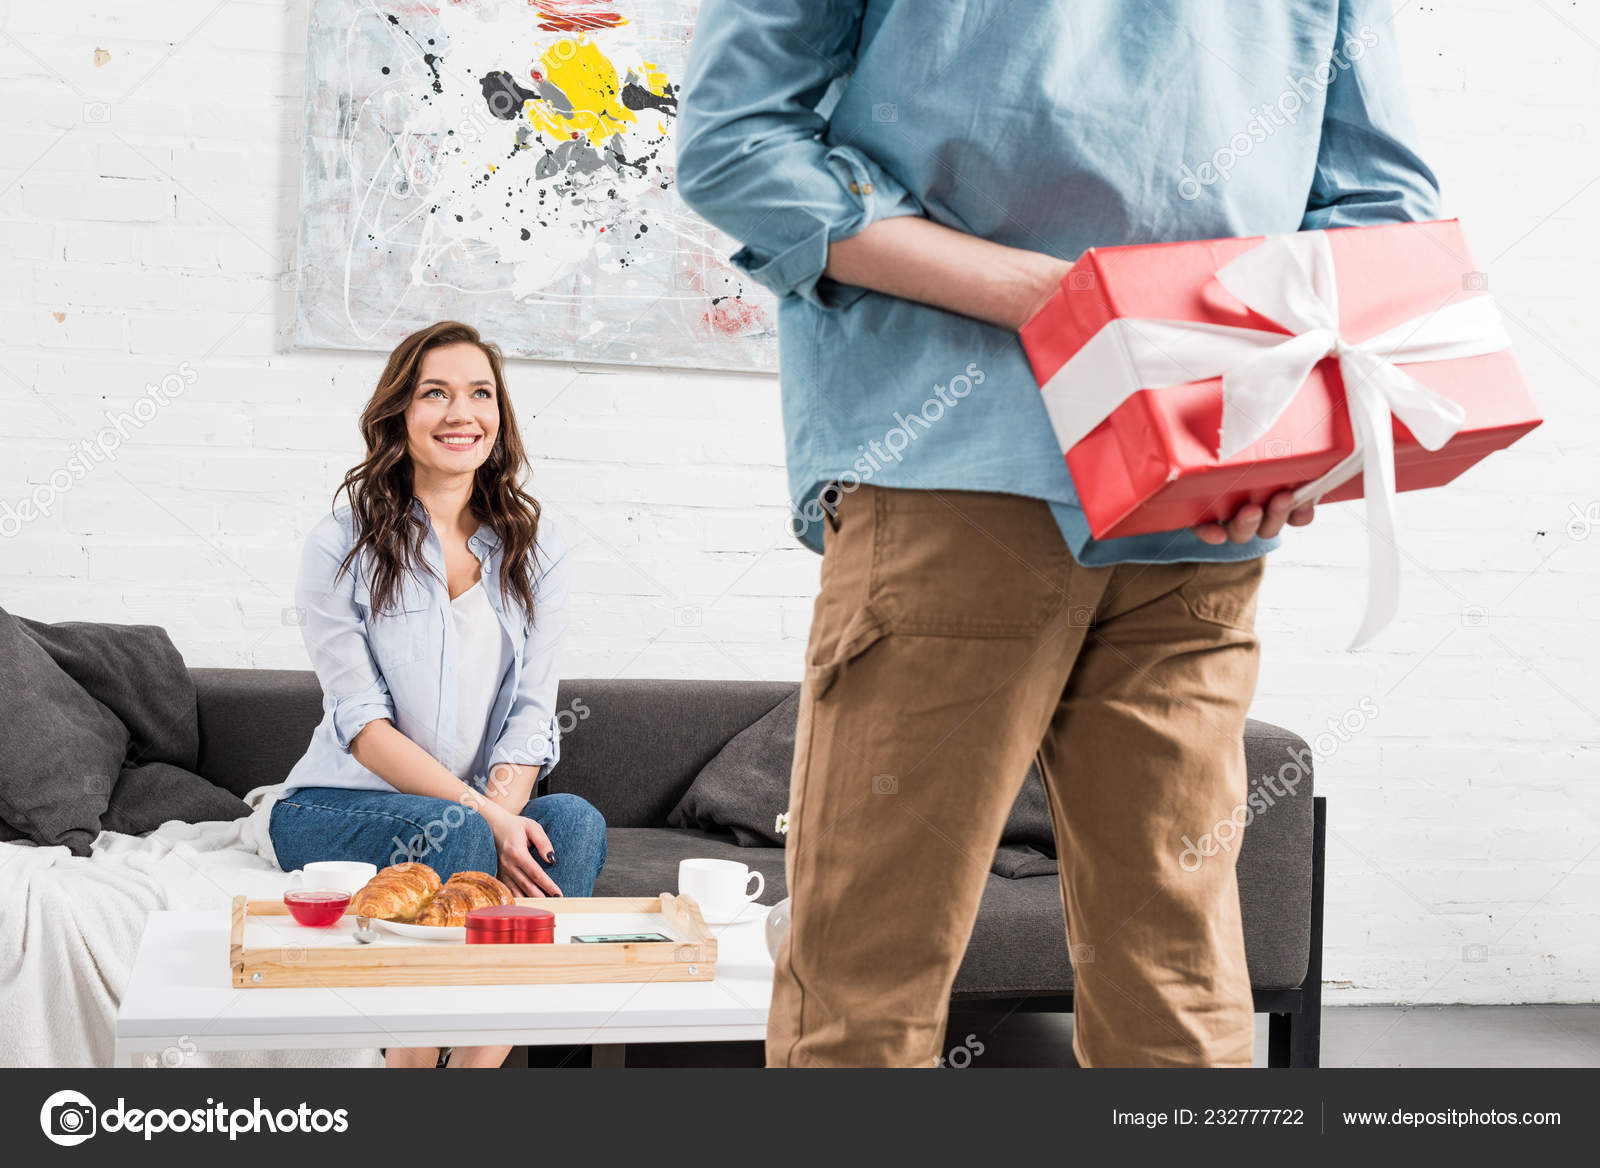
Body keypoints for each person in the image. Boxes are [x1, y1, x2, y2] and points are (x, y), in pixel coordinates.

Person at [675, 0, 1438, 1067]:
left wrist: (1053, 300)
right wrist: (1299, 431)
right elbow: (1379, 215)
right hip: (1197, 469)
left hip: (967, 463)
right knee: (1173, 965)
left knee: (868, 970)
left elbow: (737, 146)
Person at [270, 320, 607, 1069]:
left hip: (481, 806)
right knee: (453, 833)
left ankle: (471, 1077)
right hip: (336, 803)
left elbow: (530, 714)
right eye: (436, 393)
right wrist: (485, 817)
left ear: (500, 415)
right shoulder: (341, 544)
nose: (463, 413)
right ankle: (412, 1076)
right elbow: (362, 725)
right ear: (399, 414)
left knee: (575, 824)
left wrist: (501, 815)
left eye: (480, 393)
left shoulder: (535, 548)